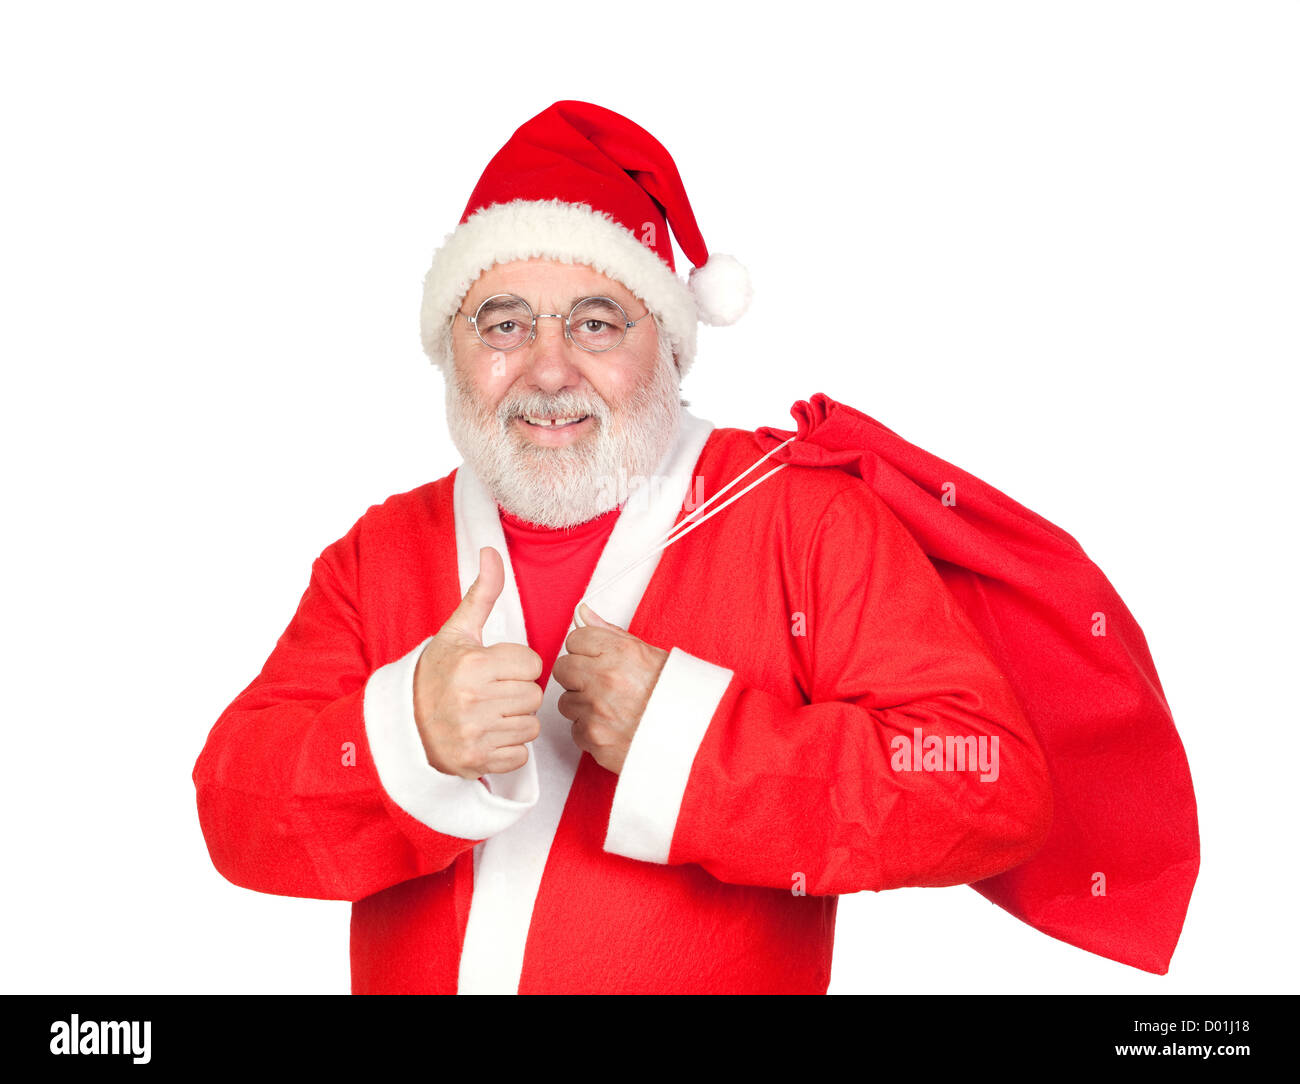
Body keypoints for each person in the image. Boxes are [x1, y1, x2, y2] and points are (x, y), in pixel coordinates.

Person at [193, 100, 1053, 994]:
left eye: (597, 321)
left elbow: (989, 785)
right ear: (451, 349)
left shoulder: (804, 522)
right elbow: (233, 810)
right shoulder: (380, 553)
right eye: (503, 323)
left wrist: (694, 738)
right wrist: (408, 734)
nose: (551, 366)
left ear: (670, 348)